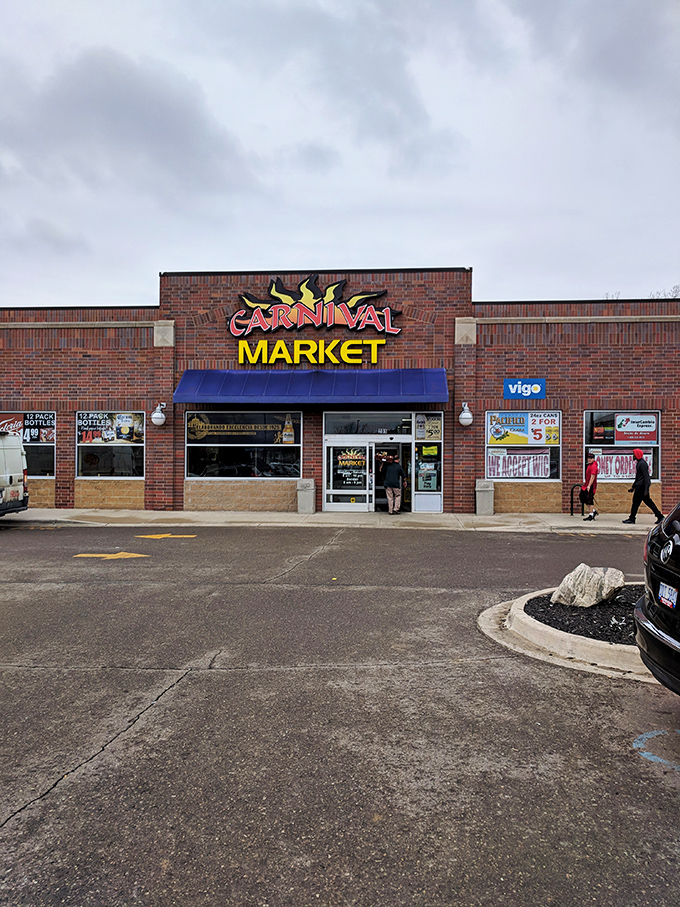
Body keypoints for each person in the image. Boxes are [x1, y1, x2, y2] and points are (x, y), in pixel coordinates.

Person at [622, 448, 664, 524]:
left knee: (636, 503)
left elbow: (646, 478)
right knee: (648, 502)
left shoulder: (642, 464)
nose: (633, 455)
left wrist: (646, 490)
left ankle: (632, 519)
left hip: (641, 488)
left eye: (634, 454)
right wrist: (633, 487)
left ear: (637, 455)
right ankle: (660, 516)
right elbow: (638, 477)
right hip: (639, 487)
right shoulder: (639, 463)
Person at [582, 452, 599, 521]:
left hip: (591, 485)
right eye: (588, 458)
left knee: (589, 500)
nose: (589, 459)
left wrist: (589, 486)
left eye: (591, 458)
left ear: (593, 459)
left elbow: (593, 477)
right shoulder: (589, 465)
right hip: (586, 484)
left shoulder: (594, 466)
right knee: (583, 497)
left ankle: (591, 515)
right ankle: (593, 511)